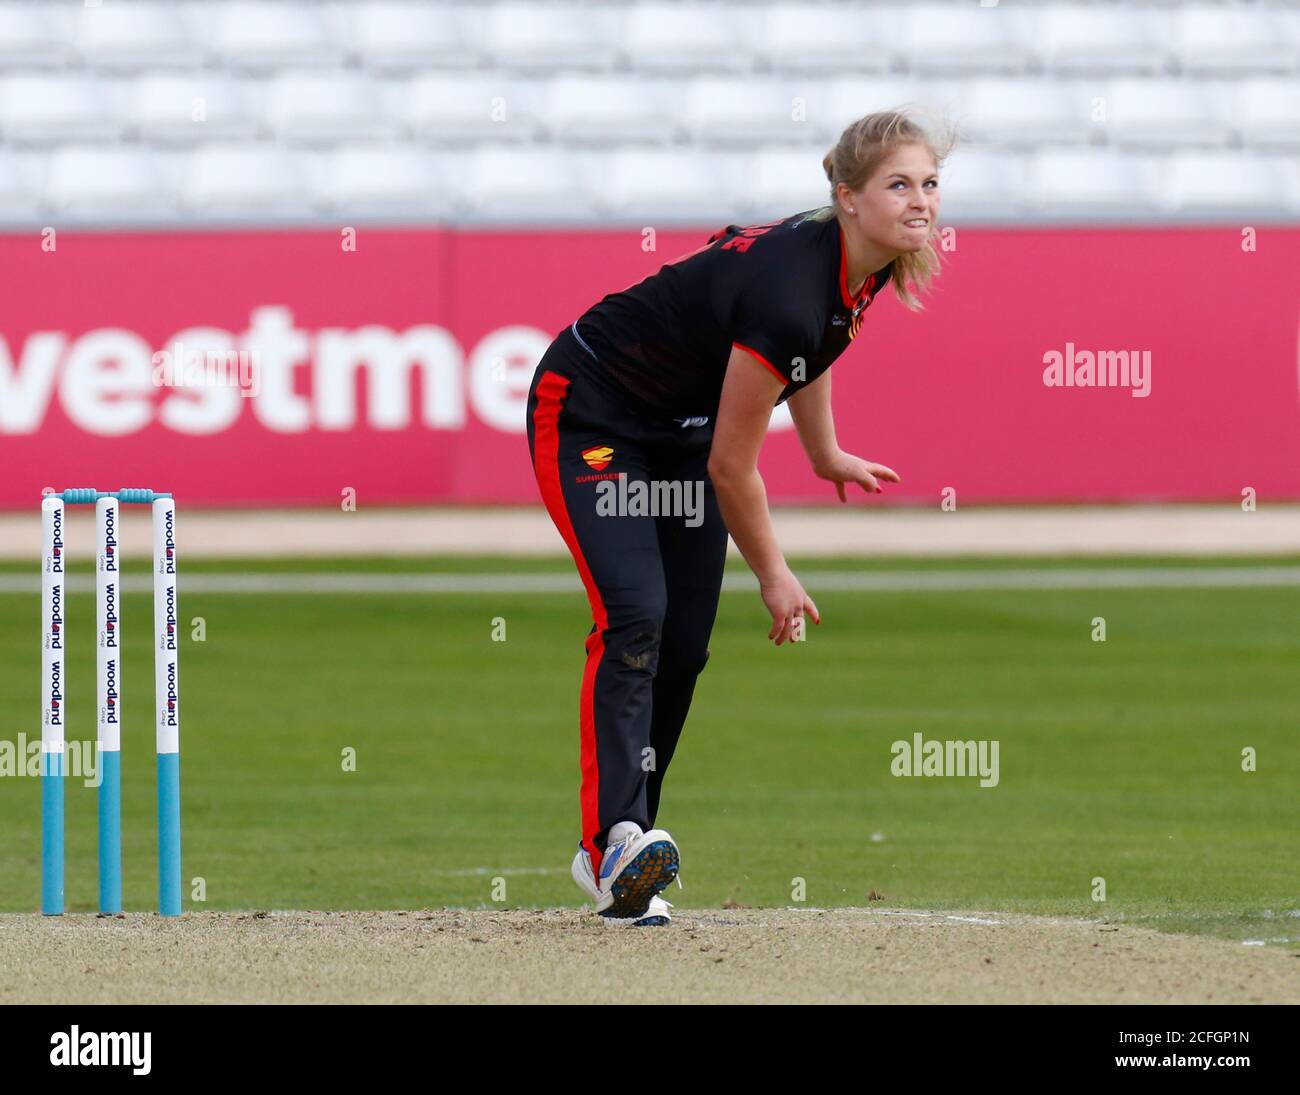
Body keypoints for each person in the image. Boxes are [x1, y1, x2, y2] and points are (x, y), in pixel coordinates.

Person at [525, 109, 950, 926]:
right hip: (590, 416)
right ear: (847, 196)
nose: (921, 201)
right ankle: (609, 840)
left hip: (678, 433)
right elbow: (733, 464)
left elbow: (810, 351)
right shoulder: (793, 283)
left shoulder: (855, 264)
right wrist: (775, 573)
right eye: (899, 184)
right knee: (635, 616)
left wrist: (824, 451)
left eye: (929, 183)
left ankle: (629, 859)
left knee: (683, 643)